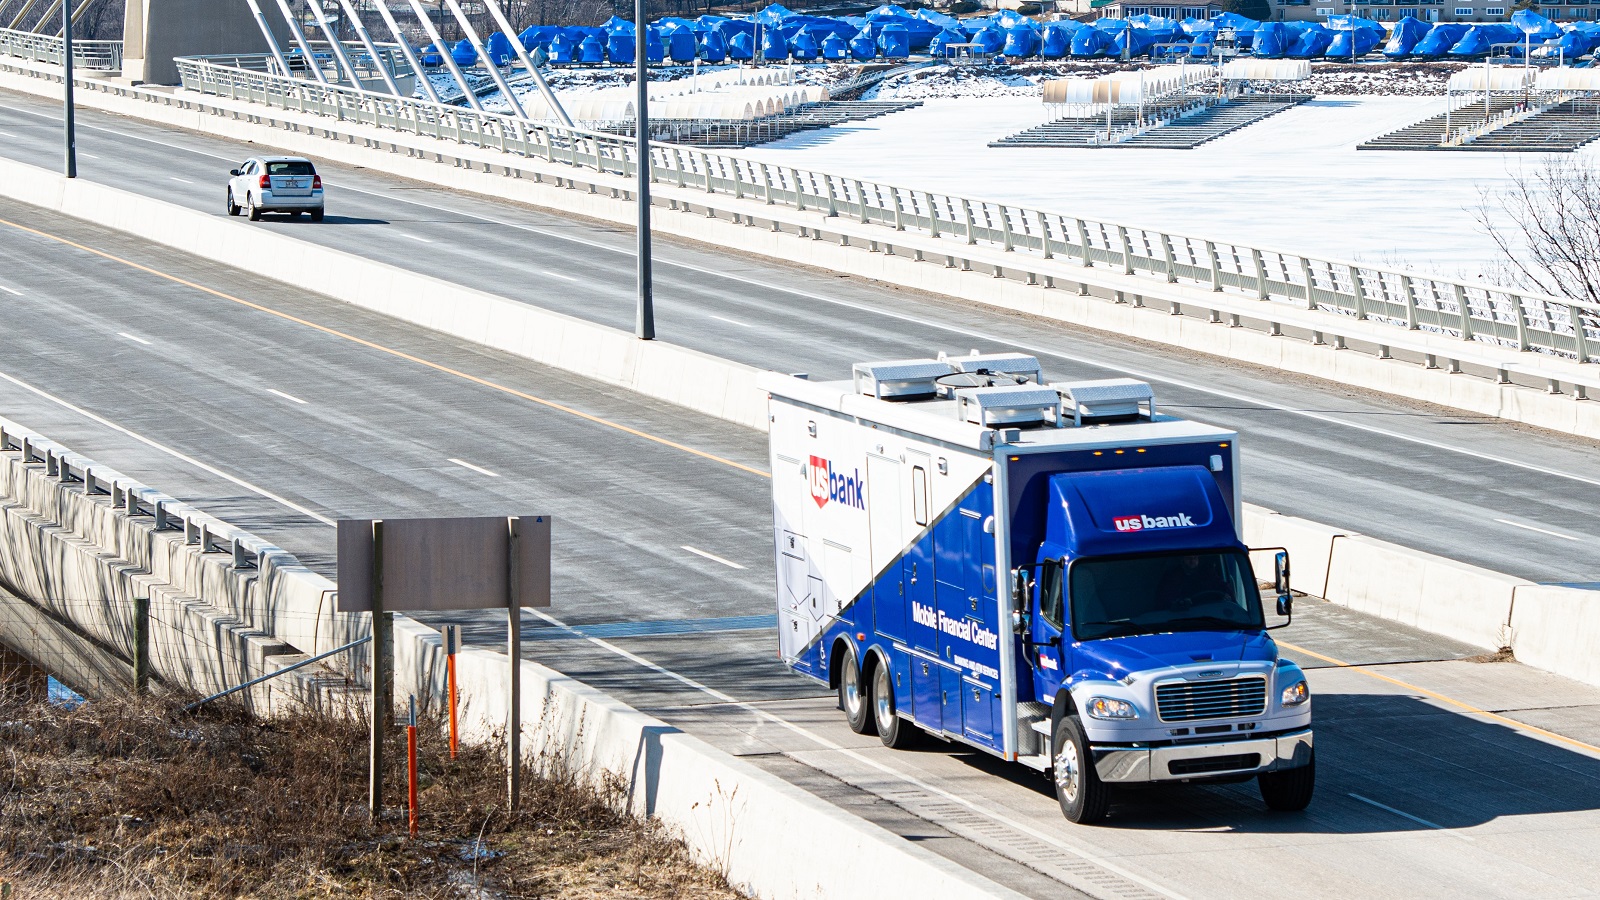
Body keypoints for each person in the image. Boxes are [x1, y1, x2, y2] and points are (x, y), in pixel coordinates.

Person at [1155, 554, 1231, 610]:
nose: (1192, 561)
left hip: (1209, 615)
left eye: (1195, 557)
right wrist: (1179, 602)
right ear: (1182, 559)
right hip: (1179, 618)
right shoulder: (1172, 577)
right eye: (1188, 558)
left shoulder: (1208, 574)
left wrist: (1226, 595)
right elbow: (1164, 600)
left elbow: (1223, 587)